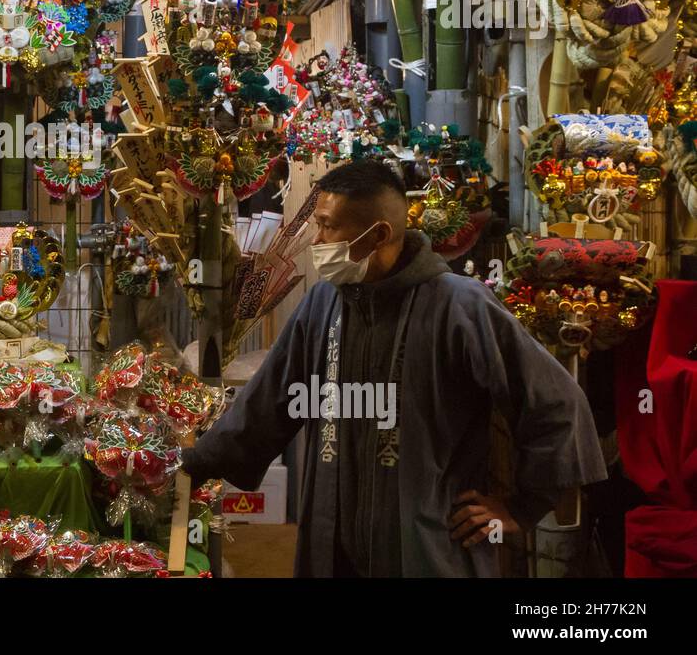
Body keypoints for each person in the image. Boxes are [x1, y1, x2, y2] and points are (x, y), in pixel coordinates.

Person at [182, 159, 607, 576]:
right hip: (332, 545)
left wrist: (521, 508)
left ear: (378, 233)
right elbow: (270, 401)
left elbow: (556, 402)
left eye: (328, 226)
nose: (317, 240)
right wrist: (192, 465)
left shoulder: (460, 306)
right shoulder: (323, 303)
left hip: (428, 544)